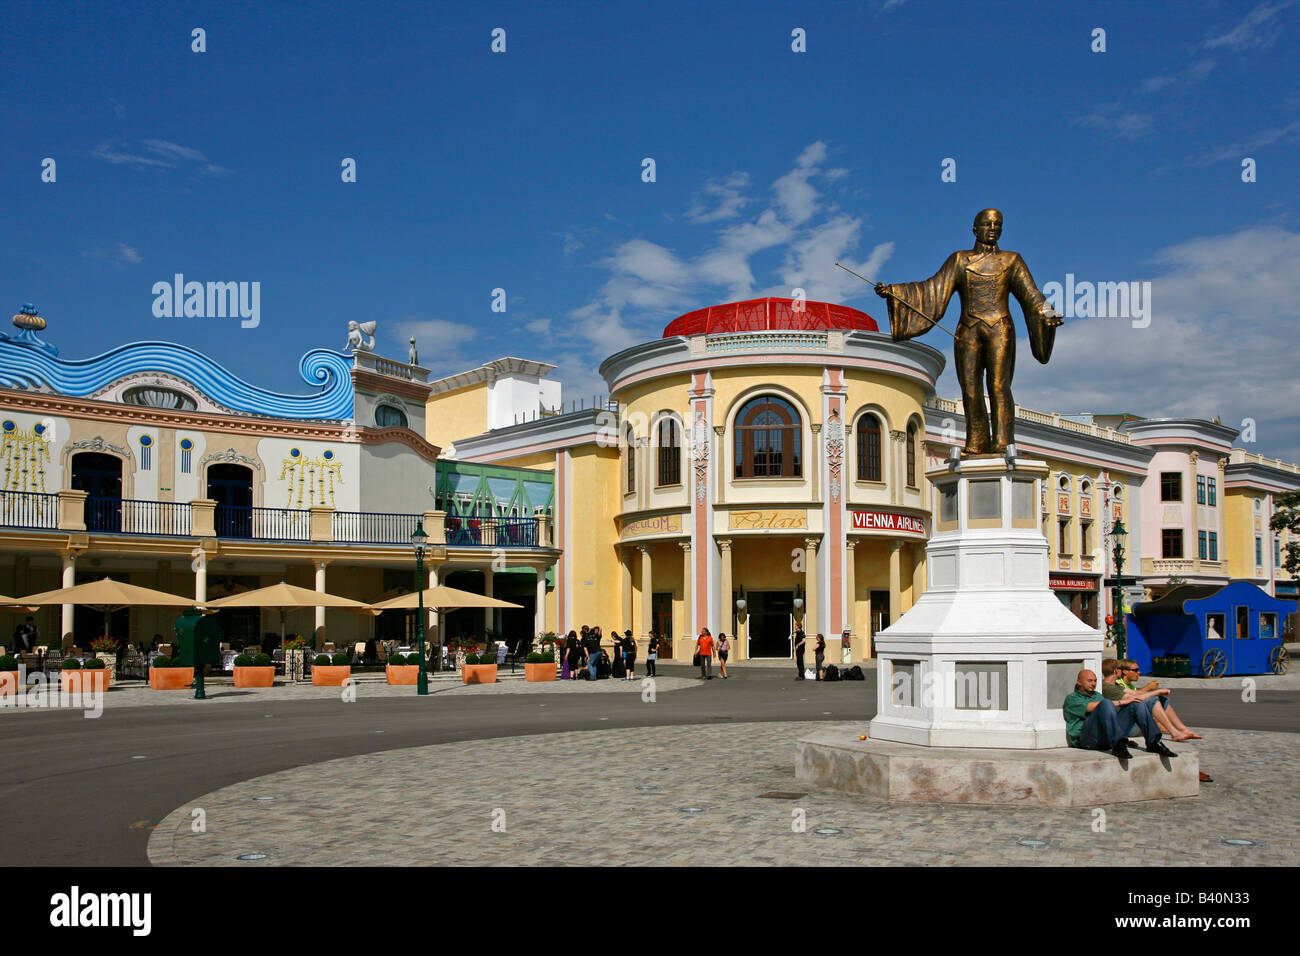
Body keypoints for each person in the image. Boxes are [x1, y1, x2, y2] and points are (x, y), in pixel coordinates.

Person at [875, 208, 1063, 455]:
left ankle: (1003, 442)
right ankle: (976, 441)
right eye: (987, 225)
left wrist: (1047, 312)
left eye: (998, 225)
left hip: (1000, 327)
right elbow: (933, 288)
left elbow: (1031, 295)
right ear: (975, 229)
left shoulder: (1011, 260)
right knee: (970, 388)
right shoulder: (959, 260)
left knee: (998, 385)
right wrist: (896, 292)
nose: (993, 229)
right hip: (968, 329)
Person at [1063, 669, 1176, 760]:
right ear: (1079, 682)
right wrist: (1120, 702)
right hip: (1087, 739)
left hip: (1105, 738)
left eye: (1095, 681)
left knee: (1136, 704)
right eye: (1089, 681)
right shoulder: (1072, 699)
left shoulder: (1097, 695)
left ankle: (1153, 742)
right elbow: (1092, 706)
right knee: (1105, 703)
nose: (1093, 684)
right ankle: (1118, 743)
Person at [1117, 659, 1201, 741]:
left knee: (1161, 700)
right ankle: (1174, 733)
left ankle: (1183, 729)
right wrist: (1149, 688)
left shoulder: (1131, 686)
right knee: (1152, 700)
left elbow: (1137, 696)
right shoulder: (1118, 684)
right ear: (1125, 671)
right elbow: (1135, 697)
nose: (1139, 672)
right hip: (1127, 728)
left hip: (1134, 724)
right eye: (1135, 670)